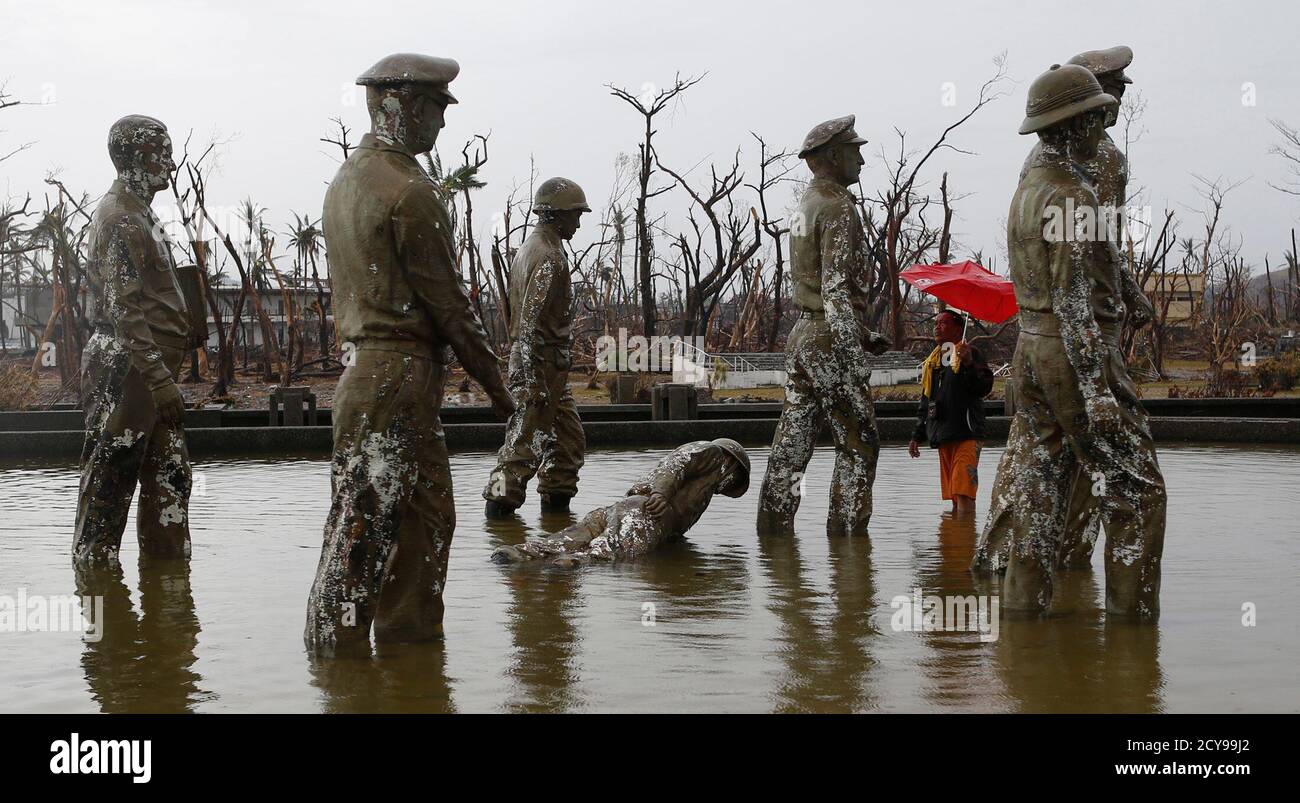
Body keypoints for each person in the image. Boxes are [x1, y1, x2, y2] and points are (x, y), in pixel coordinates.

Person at [305, 53, 515, 652]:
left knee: (416, 520)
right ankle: (346, 668)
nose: (443, 124)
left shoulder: (347, 179)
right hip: (395, 377)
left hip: (370, 376)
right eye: (436, 109)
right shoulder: (410, 191)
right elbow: (450, 307)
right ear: (402, 104)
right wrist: (501, 390)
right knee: (366, 531)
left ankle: (408, 664)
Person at [989, 63, 1166, 617]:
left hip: (1031, 351)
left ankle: (1022, 630)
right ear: (1079, 124)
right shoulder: (1073, 195)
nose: (1105, 125)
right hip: (1072, 352)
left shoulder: (1028, 191)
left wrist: (1127, 286)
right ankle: (1133, 644)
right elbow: (1073, 305)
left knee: (1039, 492)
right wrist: (1097, 392)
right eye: (1098, 116)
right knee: (1137, 491)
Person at [756, 115, 891, 538]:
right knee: (859, 442)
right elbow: (833, 289)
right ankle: (849, 547)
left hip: (804, 337)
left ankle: (774, 537)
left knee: (792, 446)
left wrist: (865, 335)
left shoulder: (805, 205)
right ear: (832, 156)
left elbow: (811, 284)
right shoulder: (838, 208)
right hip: (829, 340)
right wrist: (854, 356)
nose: (863, 161)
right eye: (856, 151)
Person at [74, 115, 193, 565]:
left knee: (171, 475)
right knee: (111, 478)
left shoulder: (141, 213)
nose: (169, 158)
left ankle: (168, 590)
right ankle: (98, 591)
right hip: (128, 369)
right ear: (133, 157)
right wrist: (160, 380)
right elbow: (124, 308)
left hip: (148, 369)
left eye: (167, 148)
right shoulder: (120, 217)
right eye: (159, 150)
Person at [483, 177, 589, 518]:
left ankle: (556, 519)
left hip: (549, 366)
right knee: (520, 446)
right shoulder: (548, 257)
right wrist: (534, 381)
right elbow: (528, 325)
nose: (578, 222)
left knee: (569, 443)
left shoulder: (535, 247)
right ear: (557, 215)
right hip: (539, 364)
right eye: (575, 215)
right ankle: (497, 510)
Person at [491, 439, 749, 566]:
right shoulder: (714, 456)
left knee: (568, 537)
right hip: (647, 513)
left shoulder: (704, 484)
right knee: (608, 554)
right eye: (734, 481)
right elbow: (676, 463)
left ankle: (520, 552)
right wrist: (660, 495)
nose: (726, 488)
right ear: (732, 465)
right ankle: (571, 565)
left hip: (627, 508)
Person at [908, 310, 994, 514]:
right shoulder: (934, 362)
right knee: (954, 496)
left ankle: (965, 538)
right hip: (943, 433)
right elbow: (927, 401)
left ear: (957, 329)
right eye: (936, 323)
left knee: (964, 491)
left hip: (966, 433)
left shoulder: (969, 353)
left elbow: (983, 387)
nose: (937, 327)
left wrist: (968, 363)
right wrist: (917, 435)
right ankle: (954, 543)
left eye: (943, 323)